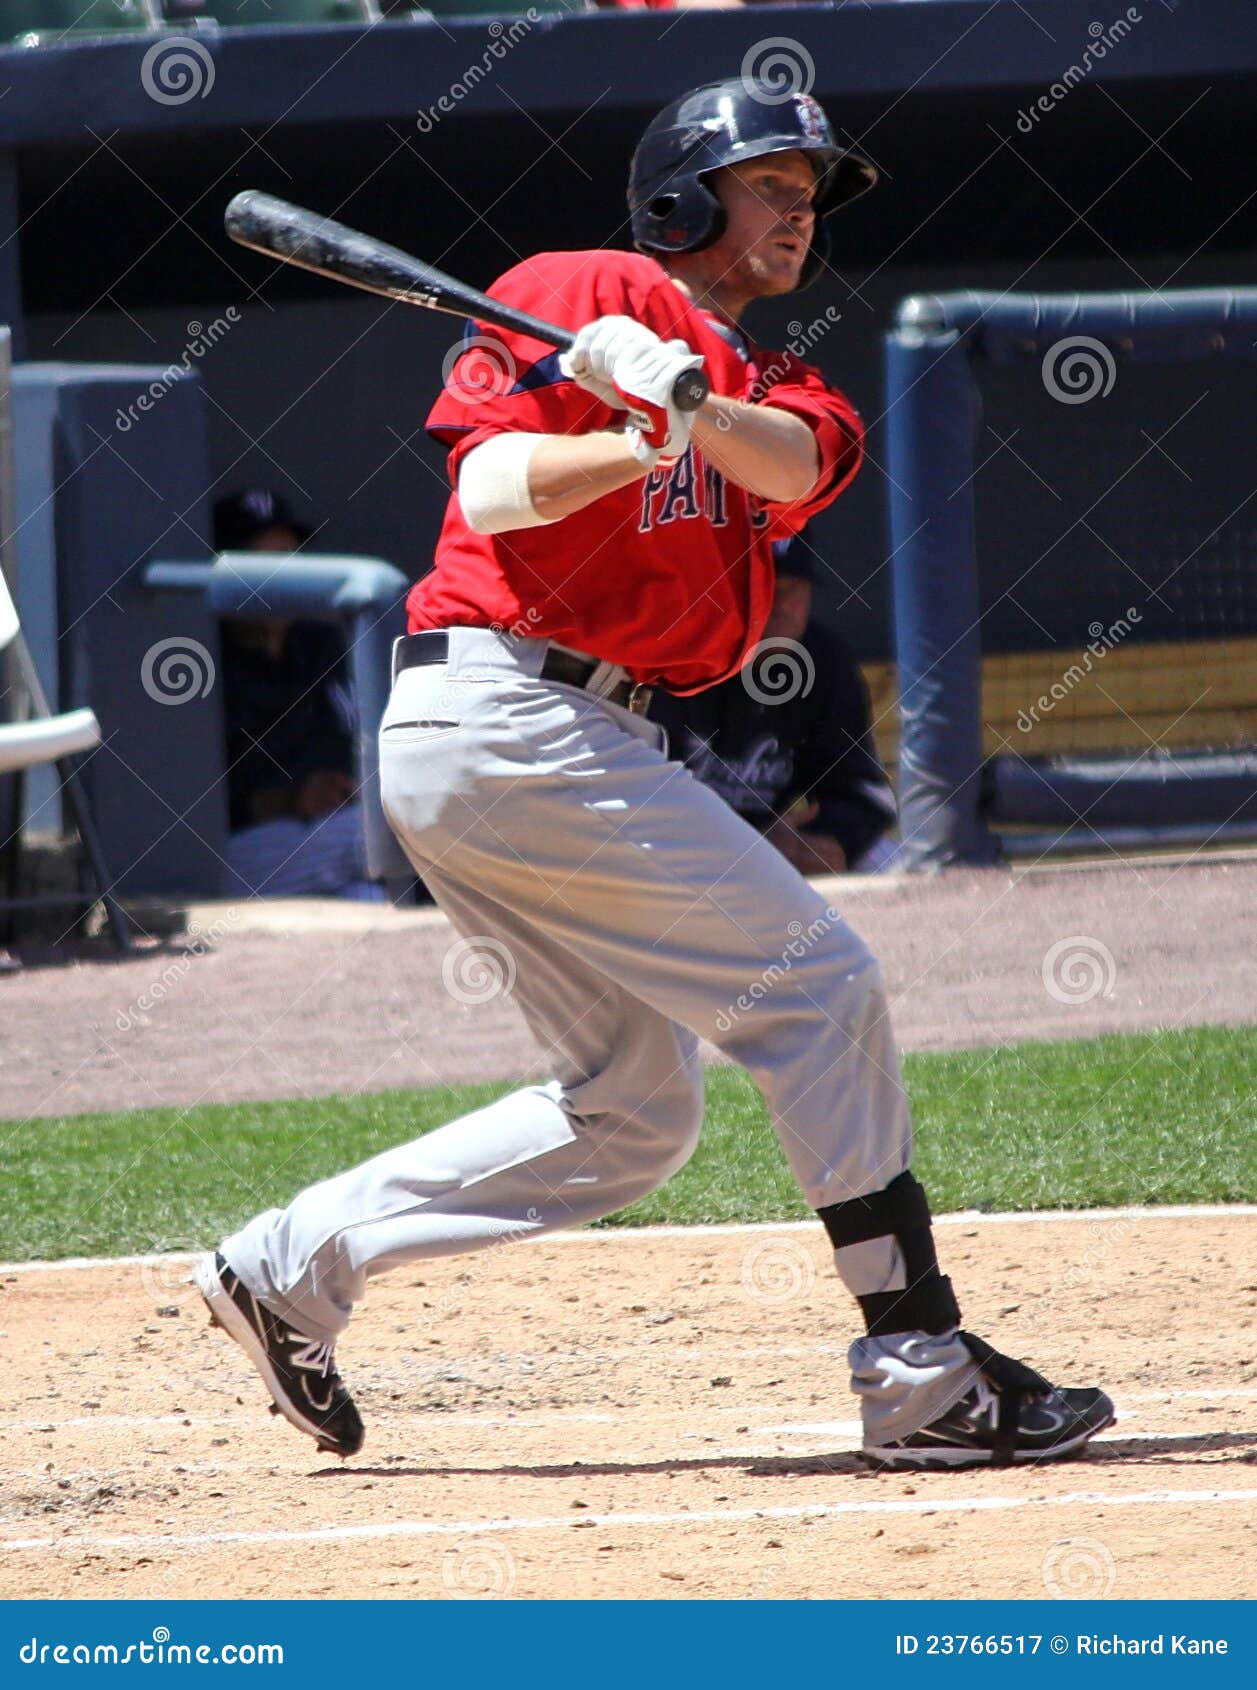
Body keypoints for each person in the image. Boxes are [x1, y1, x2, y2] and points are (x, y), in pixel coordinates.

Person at [197, 81, 1113, 1470]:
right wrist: (617, 433)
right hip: (507, 710)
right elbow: (496, 492)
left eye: (812, 191)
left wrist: (683, 403)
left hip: (565, 740)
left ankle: (287, 1263)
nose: (800, 210)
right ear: (683, 200)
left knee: (632, 1111)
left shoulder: (781, 376)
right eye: (769, 183)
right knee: (817, 984)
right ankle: (920, 1366)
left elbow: (796, 459)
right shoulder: (572, 286)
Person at [651, 538, 896, 875]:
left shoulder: (824, 662)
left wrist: (829, 841)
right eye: (762, 585)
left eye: (793, 587)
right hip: (675, 852)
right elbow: (629, 803)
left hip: (776, 850)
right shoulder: (672, 657)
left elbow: (863, 794)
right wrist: (744, 845)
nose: (780, 604)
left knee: (886, 859)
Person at [214, 490, 381, 902]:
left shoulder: (319, 643)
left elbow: (347, 740)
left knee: (368, 901)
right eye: (262, 563)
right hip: (239, 851)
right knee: (394, 830)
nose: (279, 578)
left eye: (288, 560)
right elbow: (201, 803)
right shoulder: (200, 659)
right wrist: (292, 798)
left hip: (326, 838)